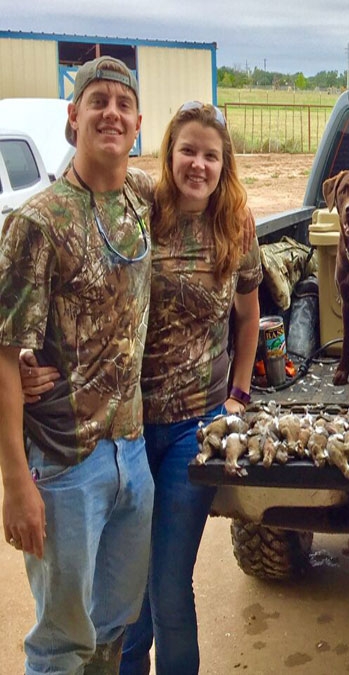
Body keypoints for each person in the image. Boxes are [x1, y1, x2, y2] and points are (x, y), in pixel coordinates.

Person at [21, 101, 262, 674]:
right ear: (168, 153)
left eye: (210, 154)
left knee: (169, 585)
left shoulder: (237, 224)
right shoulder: (136, 203)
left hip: (193, 430)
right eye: (187, 151)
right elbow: (72, 228)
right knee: (125, 601)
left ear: (224, 163)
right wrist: (32, 354)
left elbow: (249, 317)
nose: (197, 164)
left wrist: (239, 393)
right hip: (123, 428)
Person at [0, 56, 155, 673]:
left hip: (133, 452)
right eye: (98, 101)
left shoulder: (143, 197)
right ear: (74, 118)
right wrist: (16, 484)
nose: (111, 112)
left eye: (123, 102)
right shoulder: (36, 221)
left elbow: (208, 185)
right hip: (64, 465)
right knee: (61, 641)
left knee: (115, 620)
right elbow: (5, 355)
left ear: (138, 124)